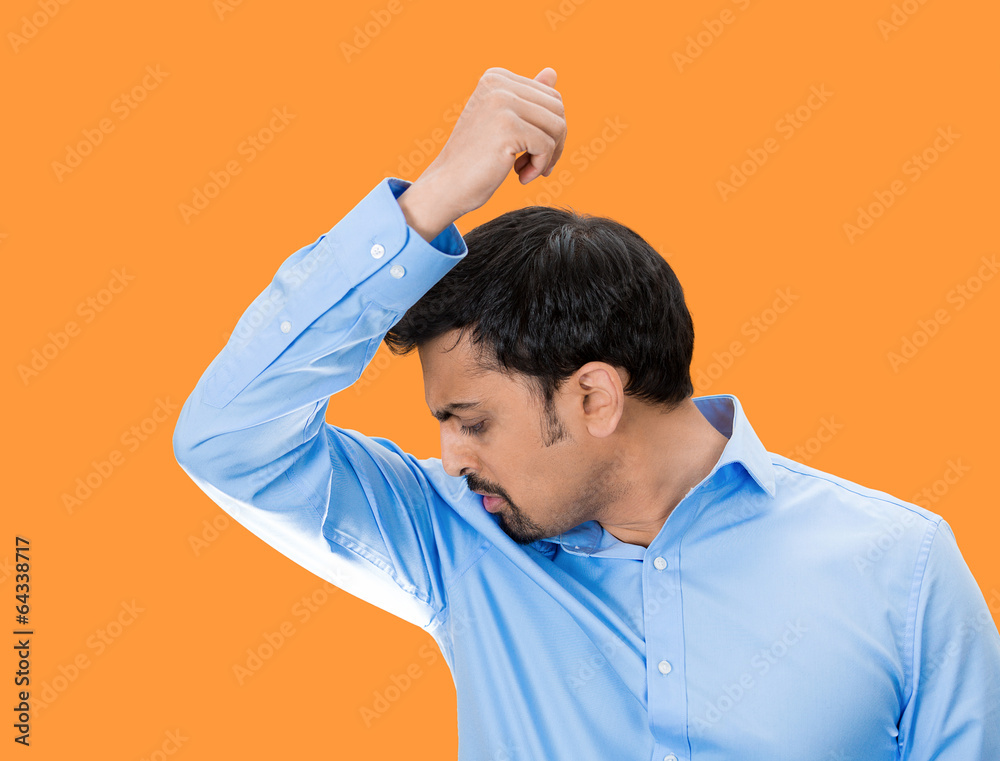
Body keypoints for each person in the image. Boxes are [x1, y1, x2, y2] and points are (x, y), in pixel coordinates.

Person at [172, 66, 1000, 760]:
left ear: (595, 396)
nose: (451, 457)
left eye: (472, 419)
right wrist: (425, 207)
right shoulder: (453, 538)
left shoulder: (904, 569)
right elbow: (227, 438)